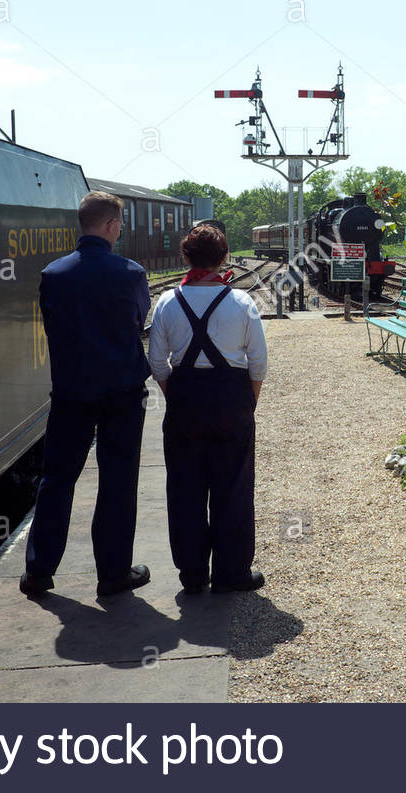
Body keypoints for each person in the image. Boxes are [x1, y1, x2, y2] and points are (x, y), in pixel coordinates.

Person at [20, 191, 153, 599]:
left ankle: (39, 572)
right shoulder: (129, 272)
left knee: (57, 478)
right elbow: (138, 320)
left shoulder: (53, 274)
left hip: (71, 392)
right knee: (117, 478)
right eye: (121, 223)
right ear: (111, 226)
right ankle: (113, 574)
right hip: (122, 393)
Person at [148, 224, 268, 595]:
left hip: (185, 402)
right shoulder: (242, 303)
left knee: (185, 488)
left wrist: (176, 395)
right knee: (233, 485)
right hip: (232, 401)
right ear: (223, 259)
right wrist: (248, 402)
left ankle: (193, 574)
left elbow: (156, 362)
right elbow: (258, 363)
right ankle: (232, 573)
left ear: (186, 257)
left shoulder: (168, 302)